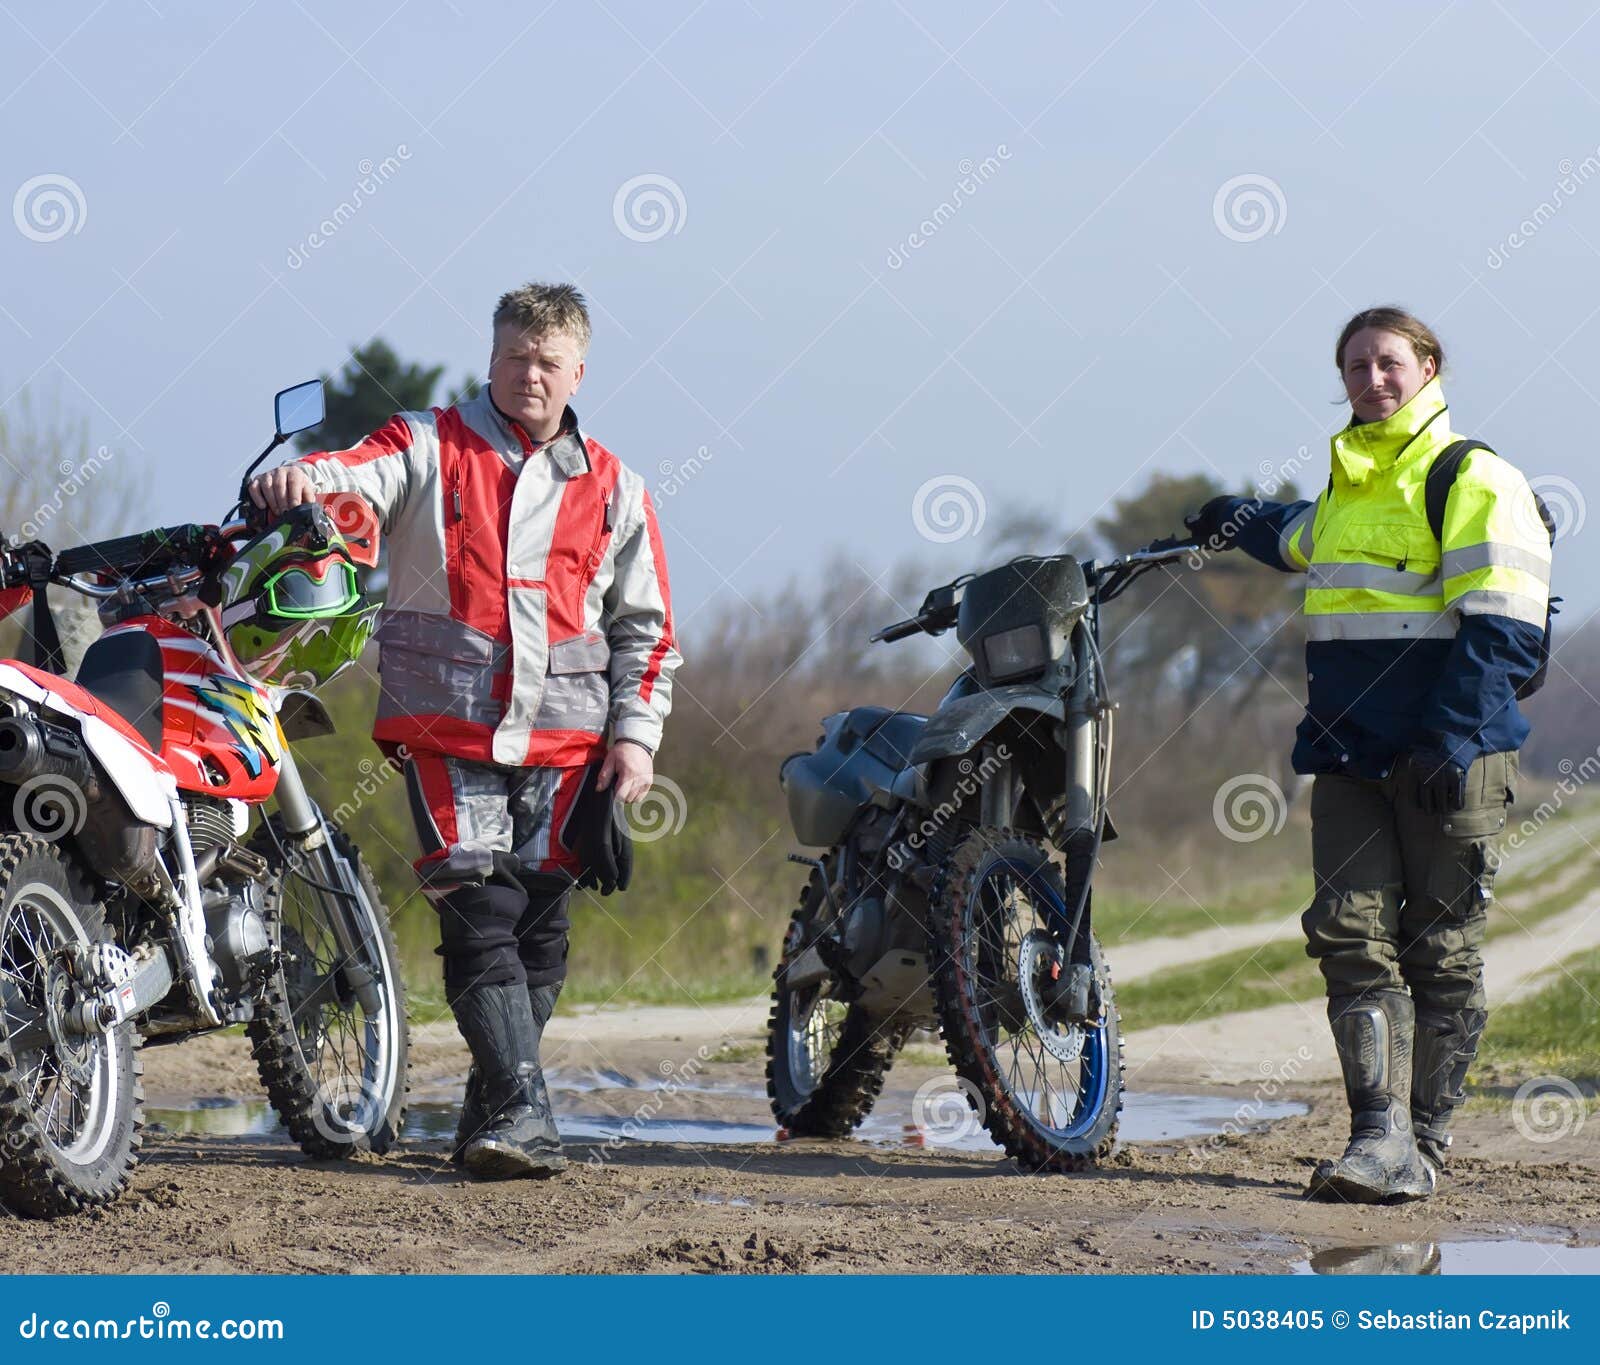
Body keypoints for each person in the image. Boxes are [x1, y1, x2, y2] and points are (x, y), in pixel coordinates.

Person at [249, 282, 680, 1180]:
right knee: (478, 908)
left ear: (579, 371)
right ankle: (528, 1112)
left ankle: (491, 1111)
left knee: (540, 936)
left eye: (548, 361)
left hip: (572, 745)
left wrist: (635, 739)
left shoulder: (617, 487)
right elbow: (351, 472)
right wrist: (298, 478)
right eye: (516, 355)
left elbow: (647, 629)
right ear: (492, 358)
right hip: (448, 730)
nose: (530, 374)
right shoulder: (425, 443)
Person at [1185, 306, 1552, 1203]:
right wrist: (1232, 519)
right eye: (1355, 366)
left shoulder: (1472, 476)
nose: (1371, 380)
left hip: (1447, 758)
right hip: (1350, 754)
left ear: (1430, 367)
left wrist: (1448, 738)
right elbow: (1299, 536)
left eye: (1389, 362)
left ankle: (1426, 1140)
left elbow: (1502, 631)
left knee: (1442, 951)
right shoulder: (1347, 488)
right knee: (1350, 940)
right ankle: (1375, 1139)